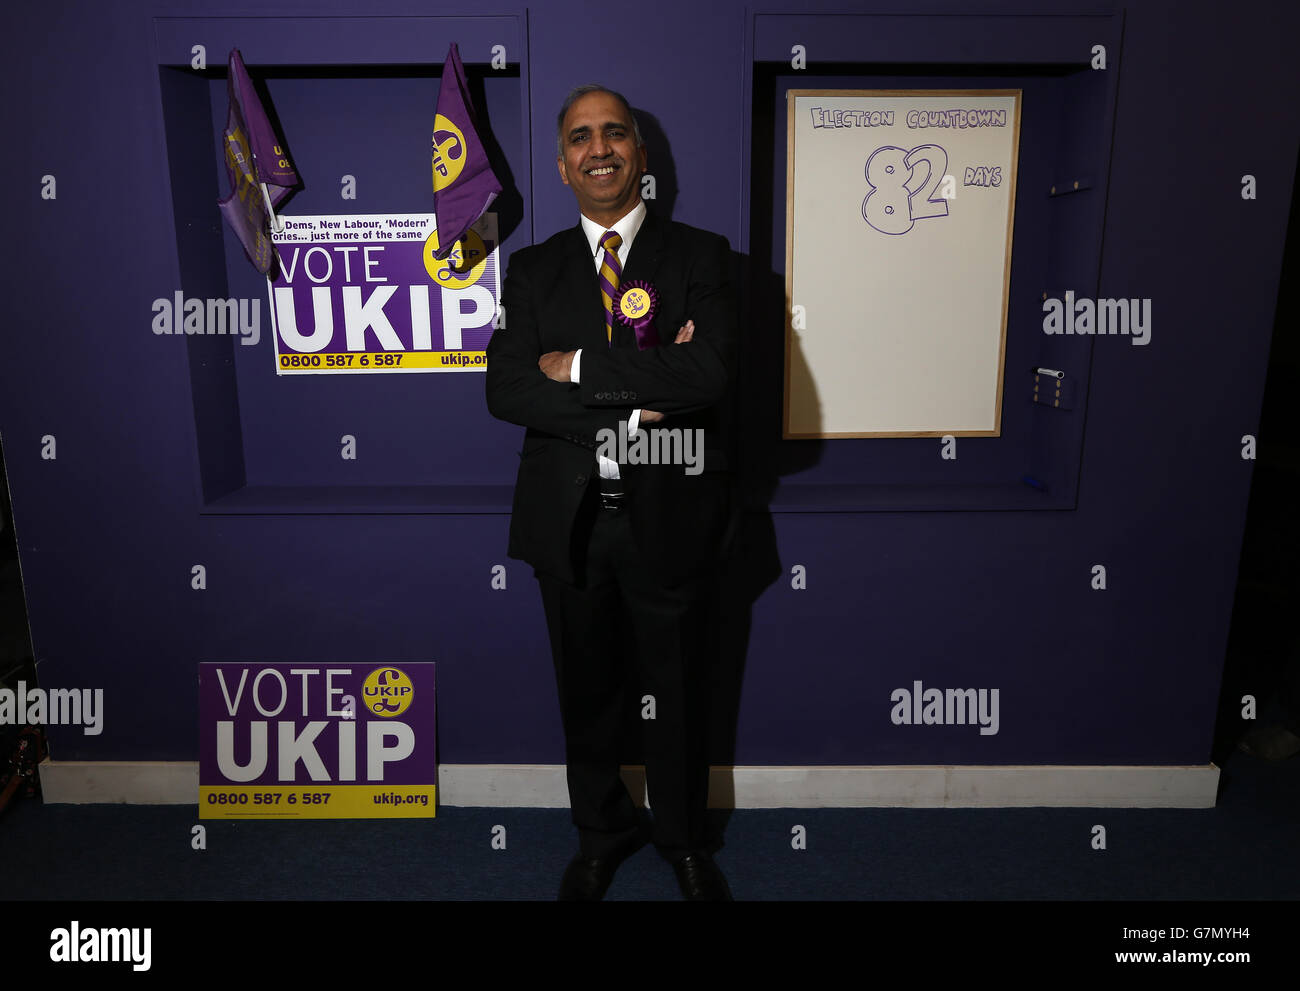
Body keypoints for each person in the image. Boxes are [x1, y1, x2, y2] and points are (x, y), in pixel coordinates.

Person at [485, 84, 737, 900]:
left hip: (673, 514)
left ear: (641, 153)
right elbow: (508, 390)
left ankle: (684, 838)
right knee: (584, 690)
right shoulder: (530, 270)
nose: (601, 148)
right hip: (569, 520)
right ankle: (602, 829)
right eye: (582, 137)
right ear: (562, 165)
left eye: (616, 134)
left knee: (680, 691)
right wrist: (650, 381)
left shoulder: (701, 255)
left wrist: (584, 367)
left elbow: (713, 373)